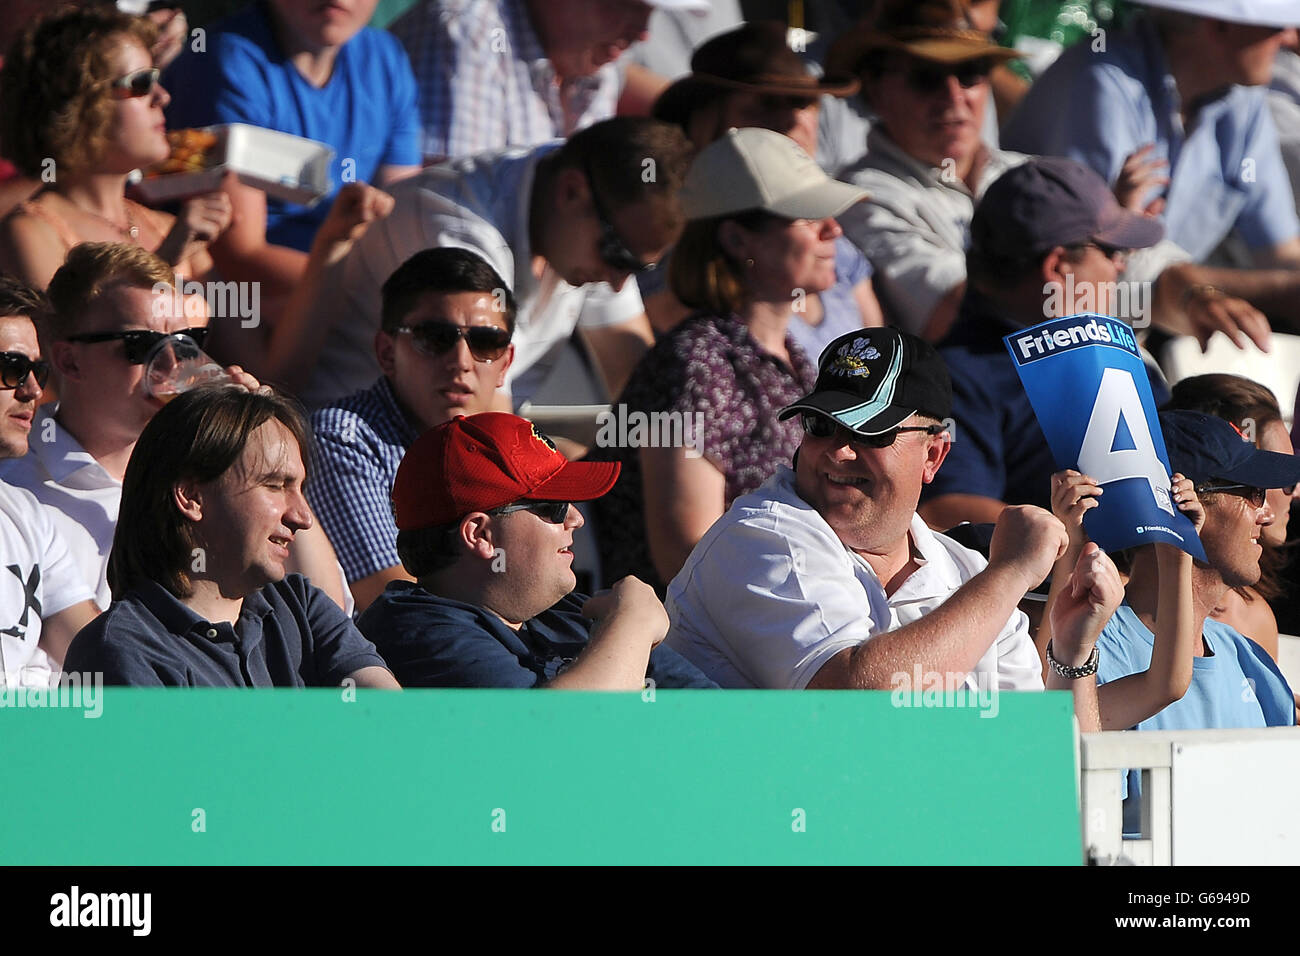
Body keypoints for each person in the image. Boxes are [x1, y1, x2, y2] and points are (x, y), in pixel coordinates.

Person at [665, 327, 1121, 731]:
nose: (838, 452)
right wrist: (1011, 574)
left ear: (933, 456)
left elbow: (1037, 751)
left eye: (869, 431)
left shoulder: (967, 570)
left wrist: (1071, 652)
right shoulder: (760, 536)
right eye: (821, 425)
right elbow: (857, 710)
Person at [828, 0, 1275, 350]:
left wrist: (1197, 299)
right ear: (876, 87)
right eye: (926, 77)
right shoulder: (864, 196)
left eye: (970, 73)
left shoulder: (1023, 171)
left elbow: (1150, 267)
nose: (954, 97)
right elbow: (960, 313)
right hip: (990, 425)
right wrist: (1110, 275)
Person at [0, 242, 348, 612]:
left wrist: (264, 446)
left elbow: (327, 611)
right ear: (69, 362)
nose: (171, 364)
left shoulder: (213, 473)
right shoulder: (16, 479)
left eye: (187, 342)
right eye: (141, 345)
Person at [592, 127, 863, 592]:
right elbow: (685, 553)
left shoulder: (792, 357)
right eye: (807, 215)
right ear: (739, 241)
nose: (833, 228)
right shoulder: (694, 363)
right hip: (698, 646)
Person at [298, 117, 693, 412]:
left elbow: (639, 383)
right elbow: (484, 425)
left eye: (639, 269)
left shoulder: (591, 205)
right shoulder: (457, 227)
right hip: (356, 453)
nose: (619, 283)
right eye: (618, 257)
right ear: (572, 192)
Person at [63, 386, 399, 688]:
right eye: (275, 485)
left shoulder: (300, 607)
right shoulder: (121, 650)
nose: (303, 517)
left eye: (300, 489)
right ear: (191, 497)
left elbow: (390, 719)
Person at [356, 412, 715, 689]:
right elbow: (549, 740)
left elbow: (720, 721)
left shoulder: (565, 611)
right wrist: (632, 624)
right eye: (552, 506)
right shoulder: (416, 632)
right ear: (481, 535)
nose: (576, 518)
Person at [1003, 0, 1300, 335]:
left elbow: (1281, 250)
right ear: (1220, 26)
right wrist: (1280, 292)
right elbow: (1106, 267)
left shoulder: (1245, 101)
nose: (1290, 37)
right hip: (1050, 331)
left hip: (1137, 320)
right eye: (1276, 25)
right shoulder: (1101, 80)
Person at [916, 156, 1174, 530]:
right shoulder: (960, 377)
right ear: (1059, 267)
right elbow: (947, 511)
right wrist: (1082, 538)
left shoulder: (1110, 347)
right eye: (1112, 252)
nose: (1121, 267)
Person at [1090, 410, 1299, 833]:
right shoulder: (1091, 653)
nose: (1268, 515)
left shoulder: (1248, 657)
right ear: (1179, 502)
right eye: (1253, 493)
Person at [643, 20, 885, 344]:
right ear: (706, 125)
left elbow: (885, 373)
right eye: (766, 104)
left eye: (803, 102)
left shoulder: (837, 250)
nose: (792, 120)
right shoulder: (678, 265)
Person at [309, 247, 516, 612]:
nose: (461, 361)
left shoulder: (507, 449)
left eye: (485, 342)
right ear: (387, 353)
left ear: (505, 364)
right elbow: (399, 604)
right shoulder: (343, 438)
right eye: (435, 337)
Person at [163, 0, 421, 277]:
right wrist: (373, 297)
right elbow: (239, 259)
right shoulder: (223, 60)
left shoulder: (386, 57)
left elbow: (401, 216)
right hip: (248, 305)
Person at [0, 6, 232, 289]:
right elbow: (68, 331)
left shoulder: (168, 227)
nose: (163, 96)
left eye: (158, 79)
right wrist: (163, 262)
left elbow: (246, 331)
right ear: (80, 105)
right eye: (142, 82)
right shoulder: (29, 231)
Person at [390, 0, 706, 163]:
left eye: (650, 11)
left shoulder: (597, 59)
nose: (643, 32)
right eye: (627, 5)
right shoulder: (469, 31)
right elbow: (453, 216)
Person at [0, 276, 98, 686]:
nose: (34, 390)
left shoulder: (23, 514)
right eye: (12, 368)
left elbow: (102, 655)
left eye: (37, 370)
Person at [1164, 373, 1300, 660]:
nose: (1296, 493)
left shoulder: (1249, 623)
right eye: (1255, 490)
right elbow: (1050, 704)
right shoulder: (1100, 609)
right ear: (1192, 494)